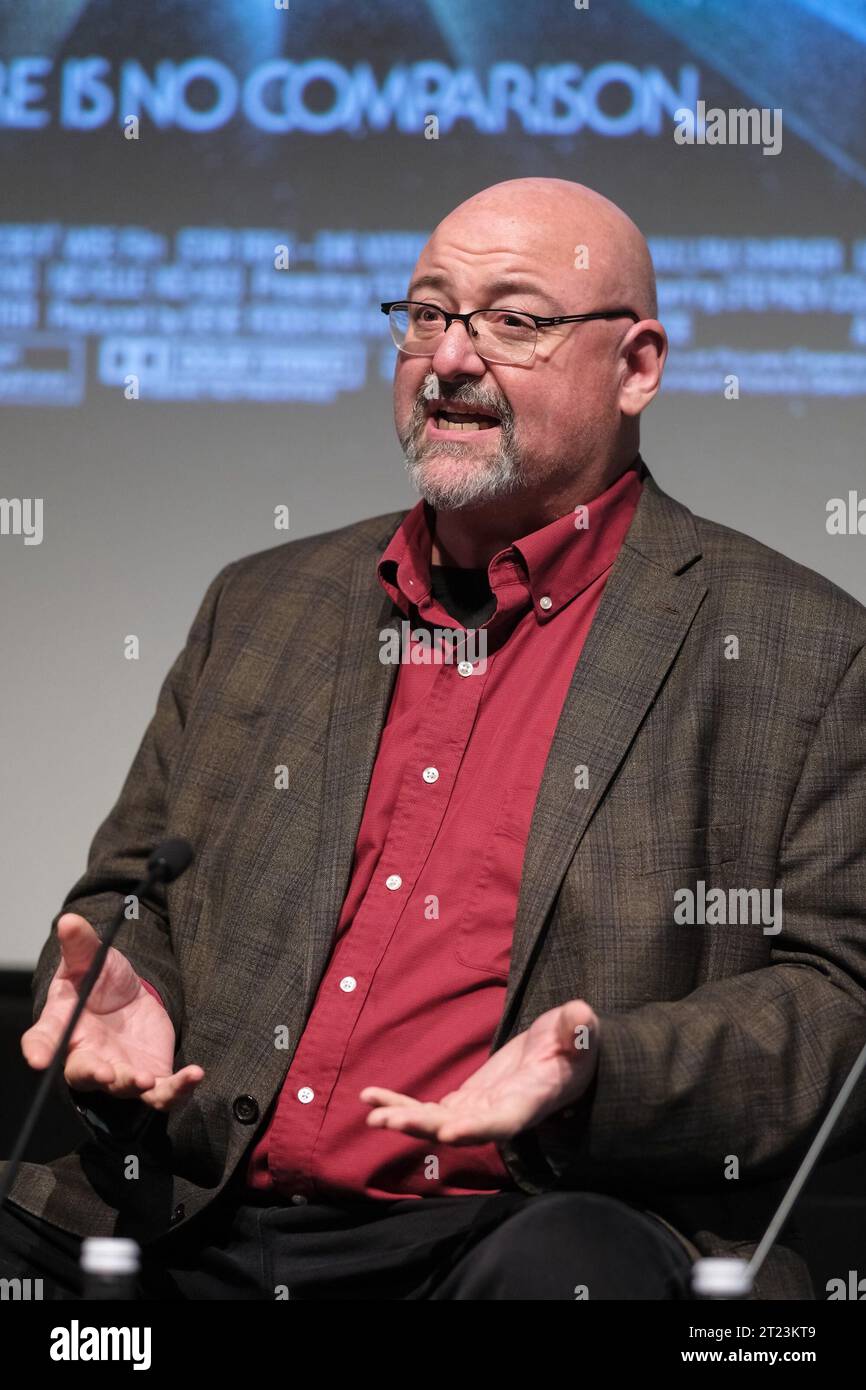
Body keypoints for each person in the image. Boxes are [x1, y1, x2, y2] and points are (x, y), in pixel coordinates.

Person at [2, 178, 864, 1300]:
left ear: (637, 366)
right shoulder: (266, 602)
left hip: (511, 1221)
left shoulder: (801, 647)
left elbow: (835, 999)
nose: (450, 359)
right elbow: (135, 892)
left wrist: (595, 1066)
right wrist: (132, 985)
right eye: (424, 314)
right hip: (192, 1211)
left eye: (512, 322)